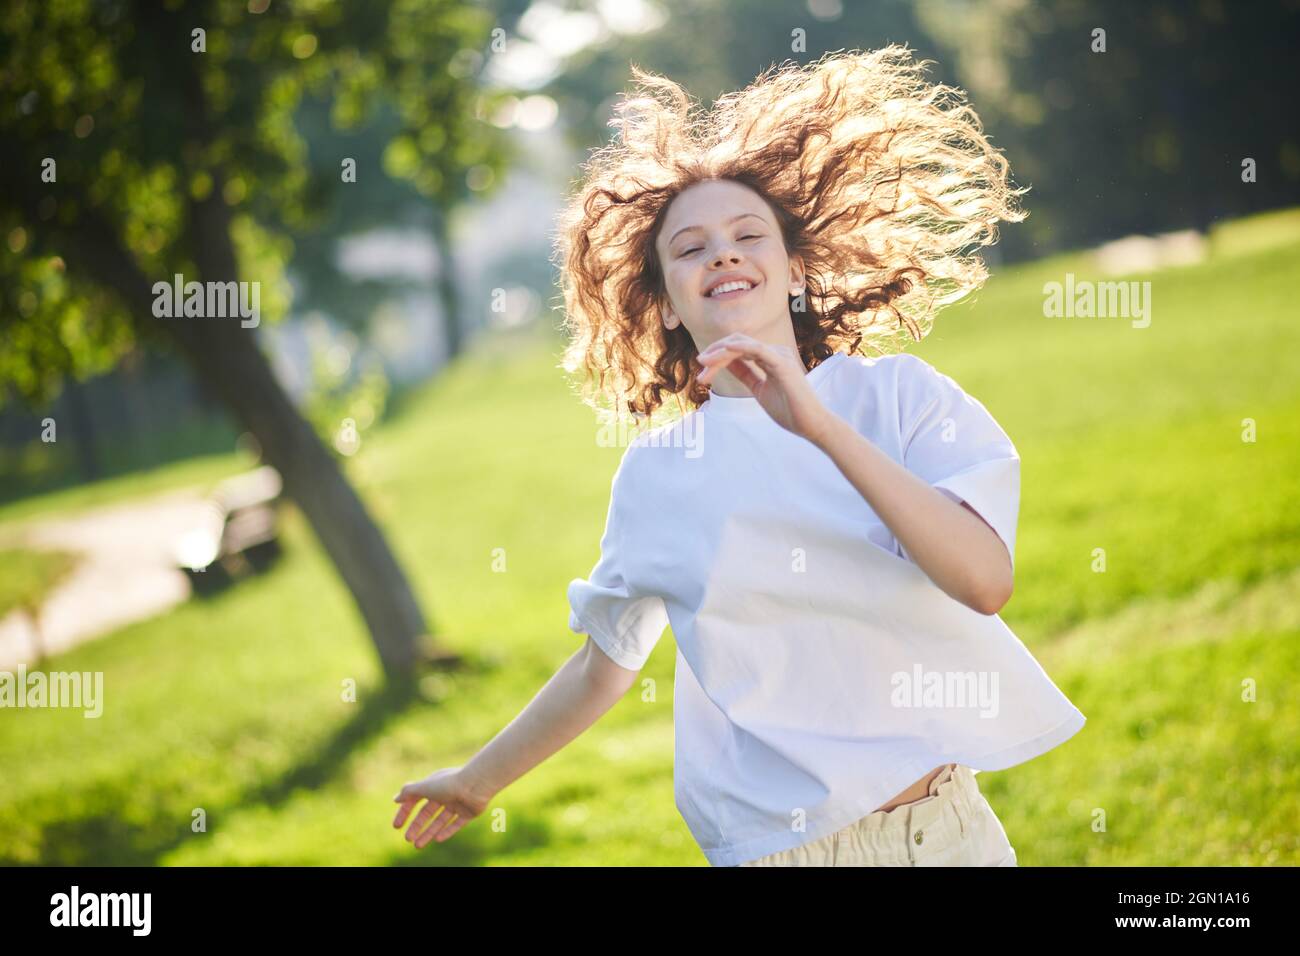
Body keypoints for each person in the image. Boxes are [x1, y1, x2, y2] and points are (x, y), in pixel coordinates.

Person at [391, 46, 1085, 867]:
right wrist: (478, 778)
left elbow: (983, 582)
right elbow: (602, 666)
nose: (721, 253)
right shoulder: (657, 474)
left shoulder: (899, 399)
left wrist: (819, 426)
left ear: (793, 271)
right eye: (689, 249)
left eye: (746, 234)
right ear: (671, 305)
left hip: (942, 834)